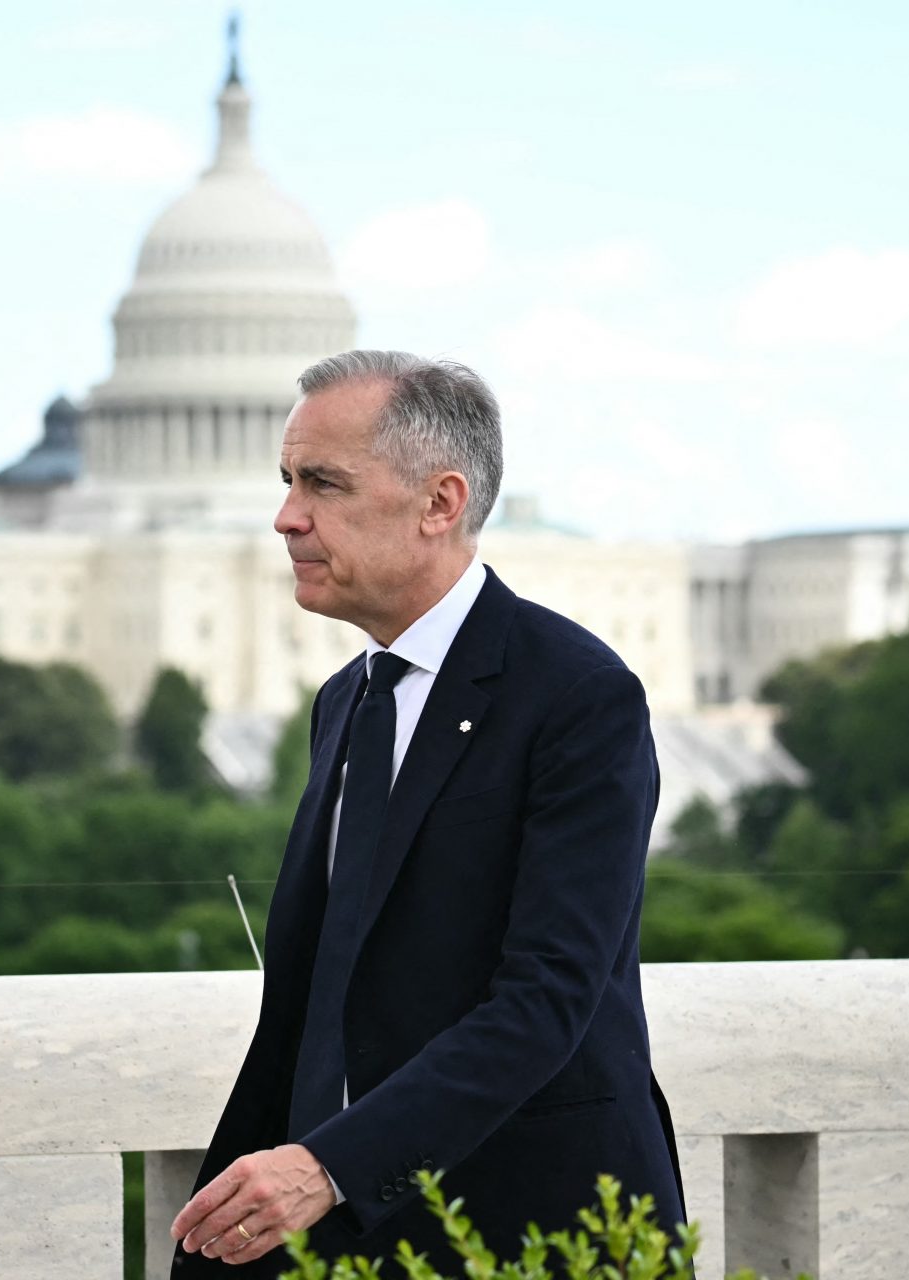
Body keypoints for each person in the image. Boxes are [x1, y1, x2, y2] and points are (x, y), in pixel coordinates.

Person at [168, 351, 683, 1275]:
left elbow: (546, 1000)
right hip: (342, 1233)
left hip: (525, 1228)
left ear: (440, 503)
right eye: (287, 482)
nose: (287, 518)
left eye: (323, 484)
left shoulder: (577, 696)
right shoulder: (346, 701)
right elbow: (318, 997)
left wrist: (332, 1166)